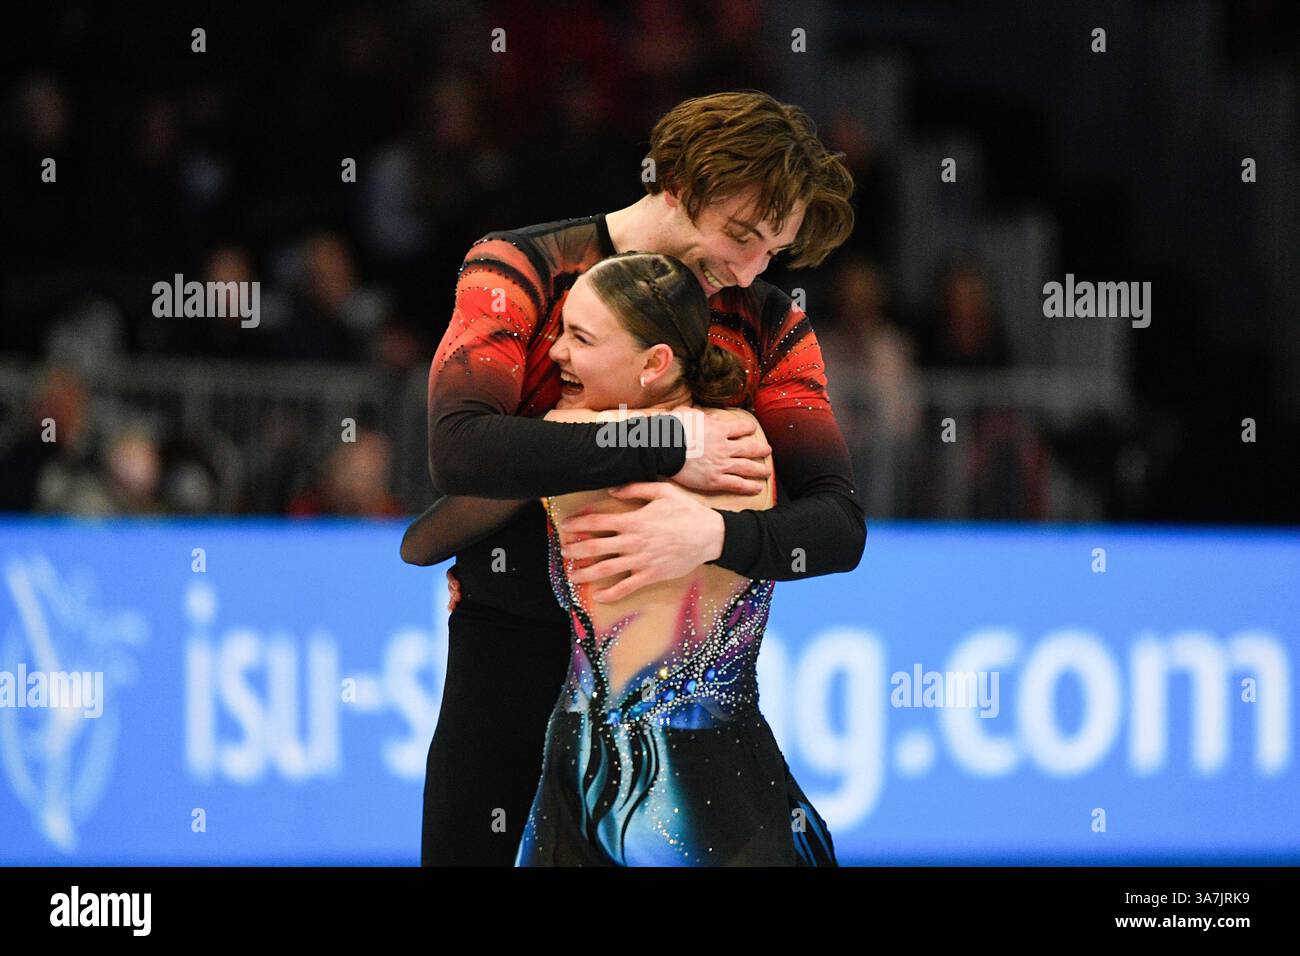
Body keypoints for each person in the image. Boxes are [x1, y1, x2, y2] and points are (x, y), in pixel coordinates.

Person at [416, 90, 864, 866]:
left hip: (674, 705)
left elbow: (839, 527)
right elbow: (459, 449)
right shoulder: (523, 267)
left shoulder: (767, 324)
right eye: (740, 235)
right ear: (681, 185)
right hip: (510, 660)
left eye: (772, 252)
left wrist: (716, 533)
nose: (749, 268)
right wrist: (661, 440)